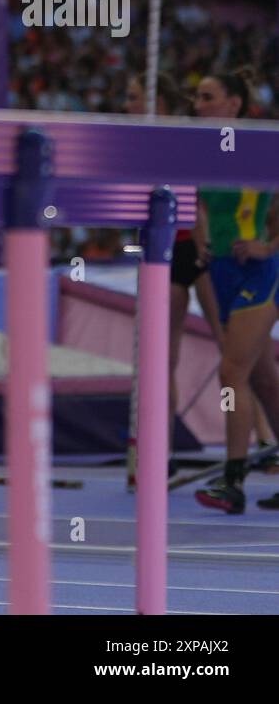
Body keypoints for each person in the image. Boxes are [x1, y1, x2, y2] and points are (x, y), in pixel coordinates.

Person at [123, 72, 225, 474]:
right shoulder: (137, 144)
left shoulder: (180, 138)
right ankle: (157, 452)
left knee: (234, 353)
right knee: (161, 359)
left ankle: (266, 438)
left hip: (194, 248)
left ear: (156, 103)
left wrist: (205, 243)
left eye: (133, 98)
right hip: (160, 255)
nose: (126, 106)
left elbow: (198, 198)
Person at [189, 69, 279, 514]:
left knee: (231, 373)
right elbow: (201, 202)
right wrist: (203, 237)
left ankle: (234, 480)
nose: (198, 105)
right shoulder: (203, 152)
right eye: (196, 98)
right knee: (264, 379)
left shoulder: (261, 147)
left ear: (234, 105)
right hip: (222, 271)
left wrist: (269, 245)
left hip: (260, 273)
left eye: (208, 97)